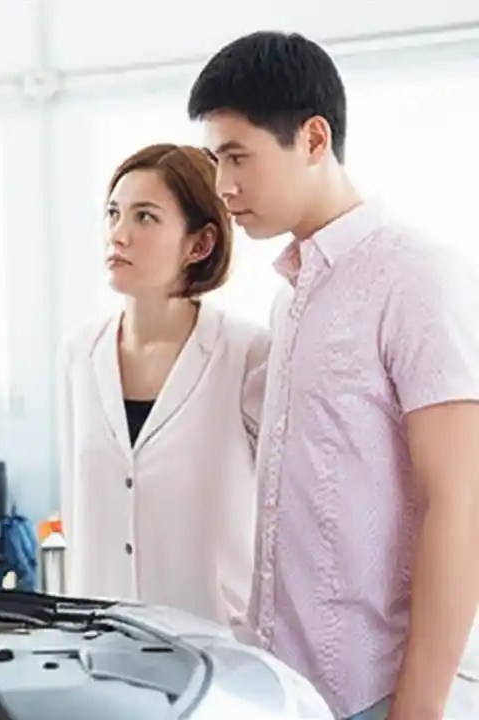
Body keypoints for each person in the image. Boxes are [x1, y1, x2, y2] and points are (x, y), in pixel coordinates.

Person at [188, 31, 479, 720]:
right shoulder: (290, 297)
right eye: (214, 160)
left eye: (238, 157)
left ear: (314, 139)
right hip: (290, 691)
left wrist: (417, 709)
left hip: (385, 694)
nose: (223, 186)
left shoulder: (416, 277)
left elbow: (462, 506)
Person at [55, 143, 268, 630]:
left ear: (200, 244)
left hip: (217, 650)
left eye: (145, 218)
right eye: (113, 214)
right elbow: (76, 512)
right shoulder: (77, 354)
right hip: (102, 649)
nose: (118, 235)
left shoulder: (248, 353)